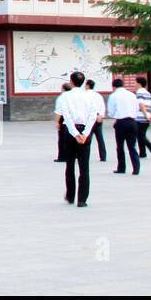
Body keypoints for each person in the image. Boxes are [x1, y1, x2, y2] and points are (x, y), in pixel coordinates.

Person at [56, 71, 98, 207]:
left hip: (70, 132)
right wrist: (85, 134)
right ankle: (82, 199)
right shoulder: (90, 97)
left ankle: (70, 195)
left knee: (70, 165)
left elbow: (66, 116)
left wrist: (75, 133)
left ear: (71, 81)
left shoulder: (65, 96)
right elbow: (93, 116)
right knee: (84, 167)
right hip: (85, 131)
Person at [107, 77, 141, 176]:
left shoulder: (113, 96)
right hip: (132, 122)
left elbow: (111, 112)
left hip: (121, 122)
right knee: (132, 147)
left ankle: (121, 168)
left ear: (114, 86)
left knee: (120, 147)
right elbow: (137, 108)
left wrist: (116, 115)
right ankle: (136, 168)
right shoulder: (132, 95)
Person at [135, 76, 151, 158]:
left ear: (139, 83)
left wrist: (146, 115)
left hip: (140, 117)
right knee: (142, 135)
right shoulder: (148, 93)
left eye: (135, 82)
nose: (135, 84)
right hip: (147, 117)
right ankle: (142, 153)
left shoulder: (139, 93)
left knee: (139, 135)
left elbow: (141, 105)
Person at [85, 79, 108, 162]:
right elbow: (102, 106)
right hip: (98, 118)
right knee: (100, 138)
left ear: (87, 85)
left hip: (88, 119)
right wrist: (101, 116)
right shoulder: (98, 95)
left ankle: (85, 155)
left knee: (87, 137)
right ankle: (103, 156)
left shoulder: (84, 95)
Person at [54, 81, 72, 162]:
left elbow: (58, 111)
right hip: (73, 118)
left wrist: (57, 122)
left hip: (63, 118)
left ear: (63, 89)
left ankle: (62, 156)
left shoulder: (61, 97)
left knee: (62, 138)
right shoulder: (73, 96)